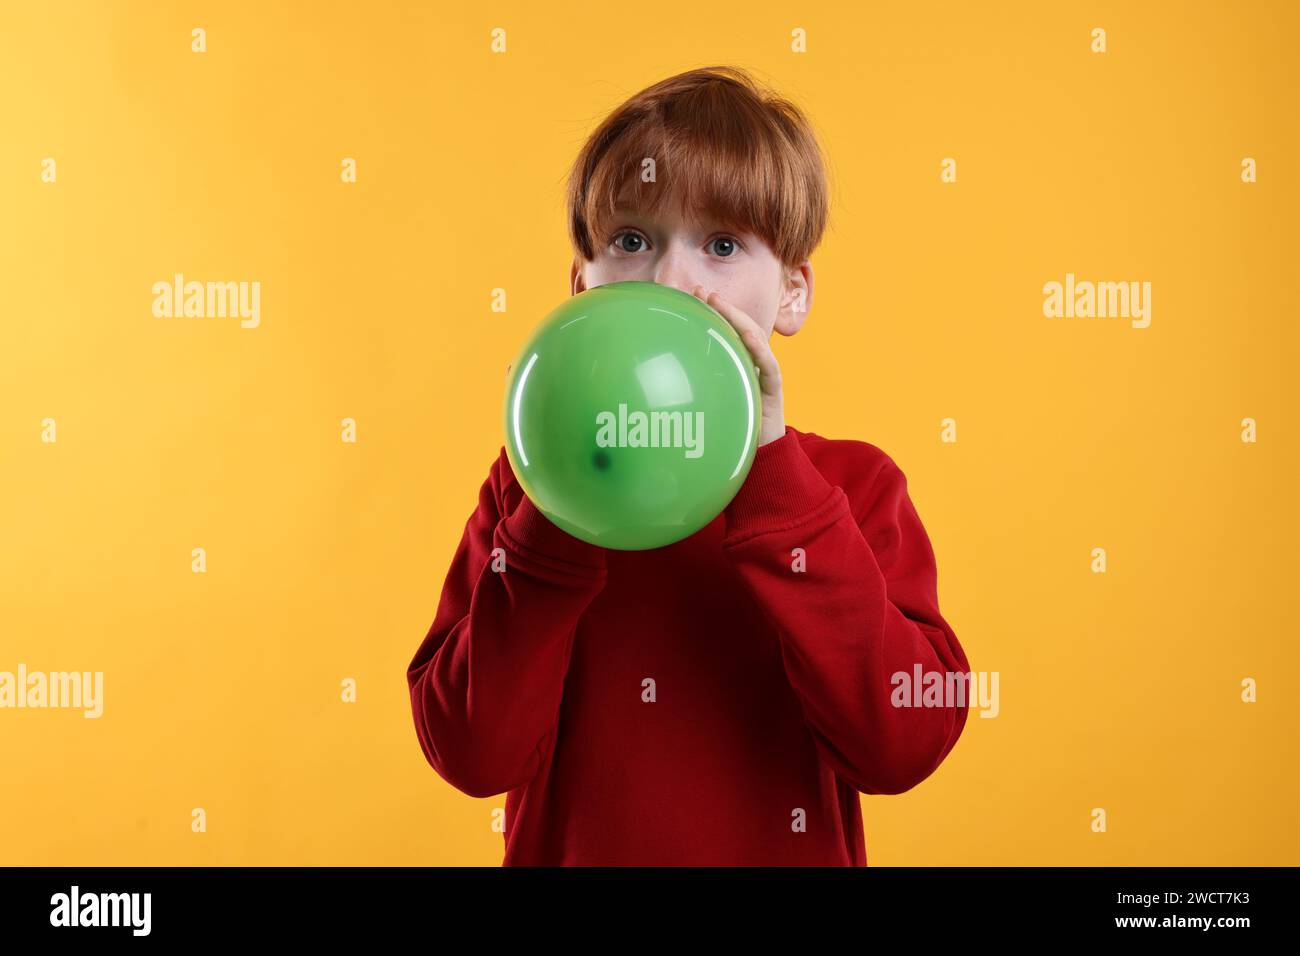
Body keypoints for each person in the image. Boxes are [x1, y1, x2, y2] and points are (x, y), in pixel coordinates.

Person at [406, 65, 971, 865]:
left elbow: (902, 745)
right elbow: (469, 752)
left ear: (791, 296)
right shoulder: (527, 488)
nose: (673, 280)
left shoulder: (853, 488)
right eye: (632, 241)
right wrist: (559, 502)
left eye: (723, 243)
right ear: (581, 287)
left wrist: (778, 482)